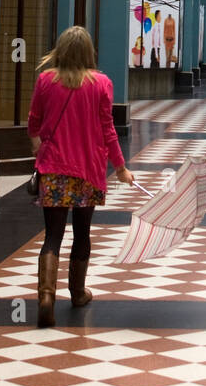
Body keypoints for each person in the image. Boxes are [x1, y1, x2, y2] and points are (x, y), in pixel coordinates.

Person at [27, 26, 134, 328]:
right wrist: (121, 167)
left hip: (53, 169)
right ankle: (77, 292)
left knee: (52, 235)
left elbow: (33, 122)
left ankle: (46, 296)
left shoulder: (46, 80)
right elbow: (108, 129)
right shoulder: (101, 84)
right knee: (82, 233)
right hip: (87, 171)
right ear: (89, 52)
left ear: (60, 49)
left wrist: (39, 146)